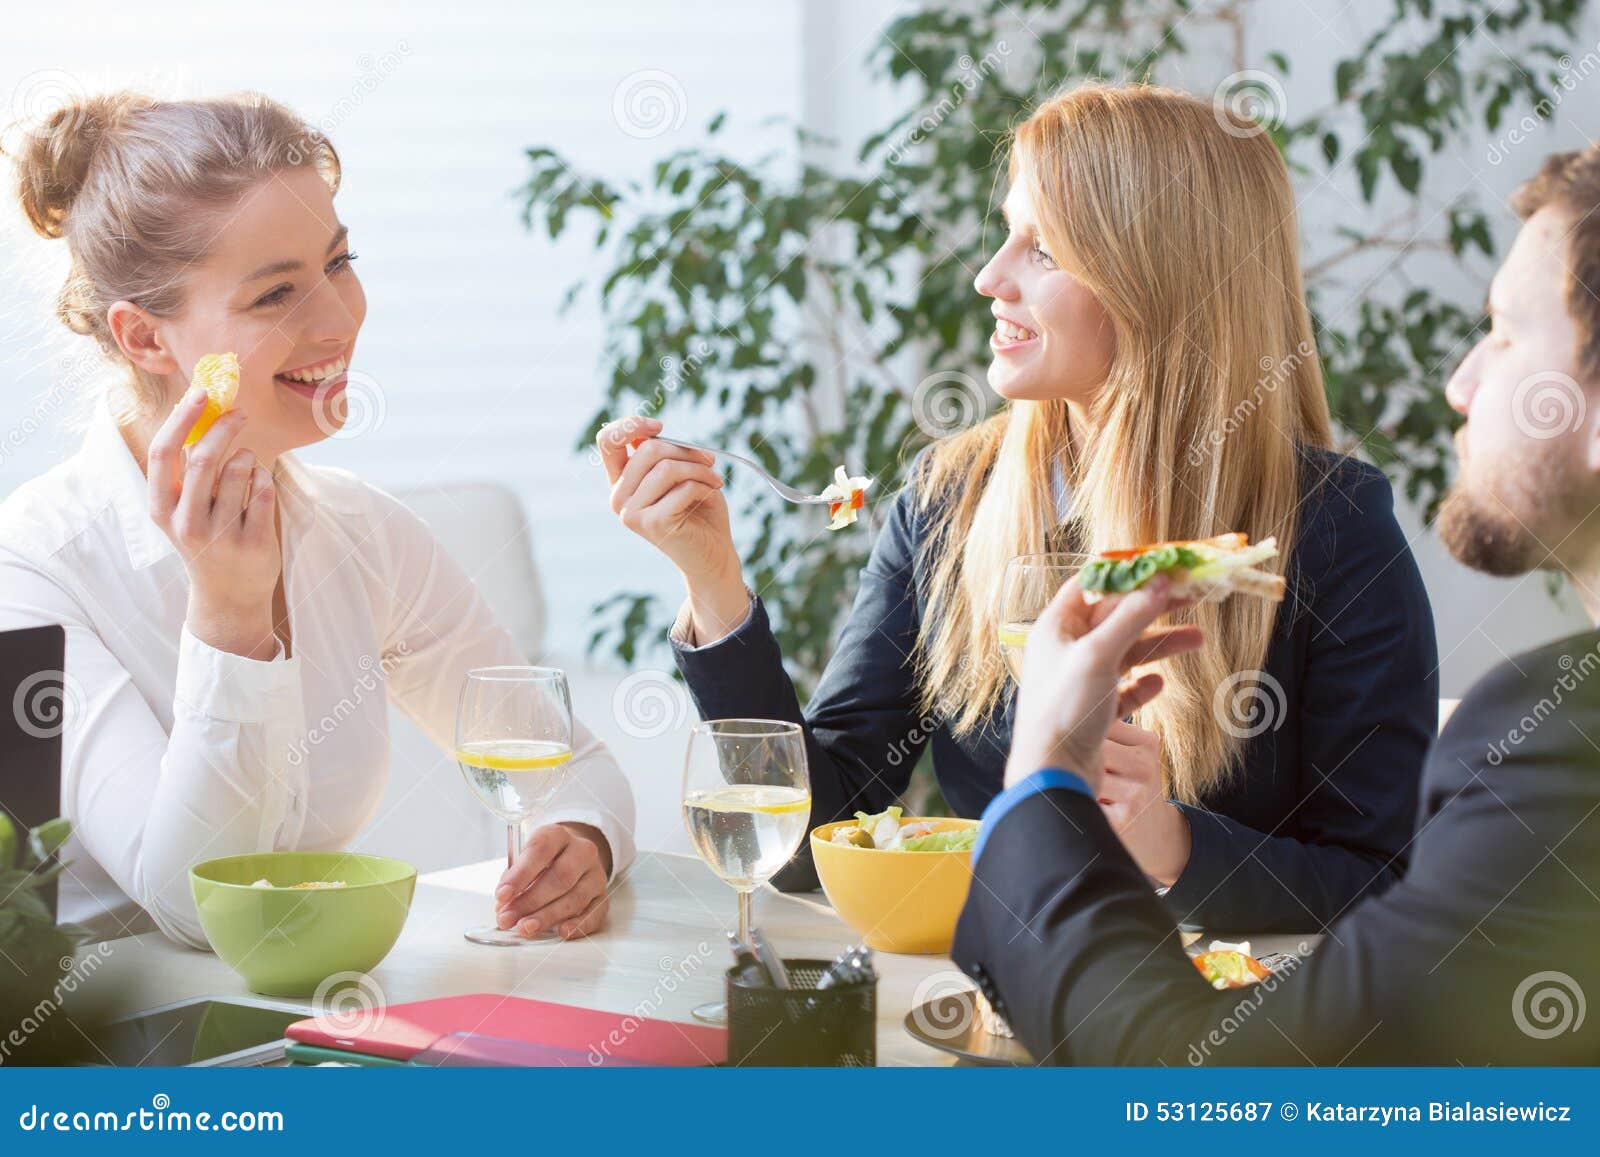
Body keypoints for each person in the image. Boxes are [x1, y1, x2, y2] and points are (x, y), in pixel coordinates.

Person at [597, 82, 1437, 930]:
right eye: (1008, 235)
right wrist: (712, 579)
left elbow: (1384, 884)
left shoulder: (1331, 527)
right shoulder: (946, 502)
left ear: (1160, 280)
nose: (988, 276)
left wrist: (1170, 842)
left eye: (1044, 250)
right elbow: (818, 827)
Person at [952, 144, 1600, 1065]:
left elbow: (1199, 1090)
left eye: (1502, 332)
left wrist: (1046, 770)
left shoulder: (1563, 745)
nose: (1460, 383)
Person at [0, 92, 635, 948]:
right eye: (275, 294)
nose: (338, 320)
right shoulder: (31, 571)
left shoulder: (360, 532)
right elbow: (194, 907)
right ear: (146, 338)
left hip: (310, 1029)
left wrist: (583, 841)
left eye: (339, 262)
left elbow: (574, 769)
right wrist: (229, 615)